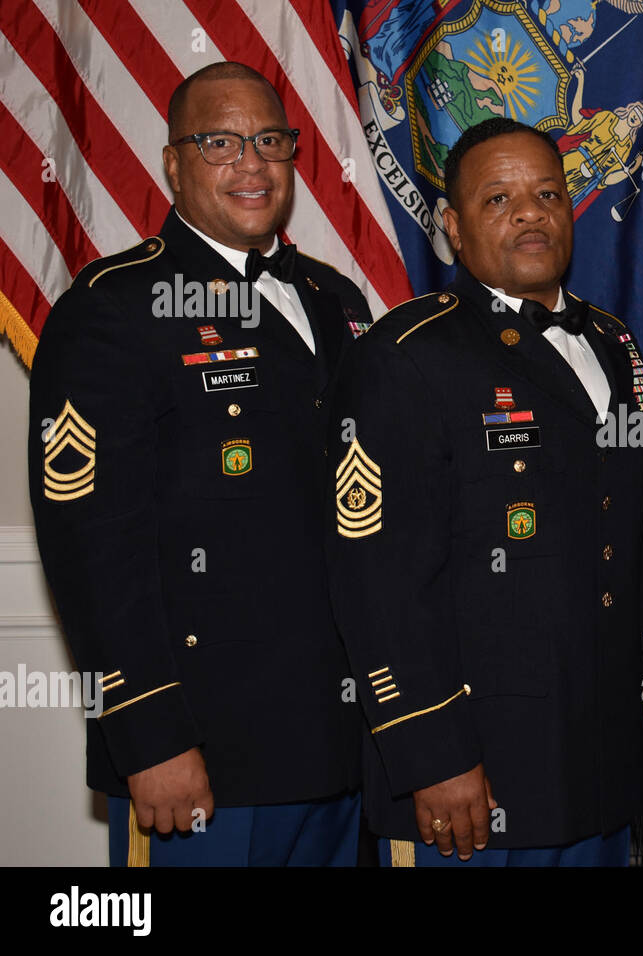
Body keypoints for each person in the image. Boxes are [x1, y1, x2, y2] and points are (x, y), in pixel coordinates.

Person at [28, 62, 368, 866]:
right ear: (172, 164)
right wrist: (146, 734)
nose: (250, 162)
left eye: (270, 140)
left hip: (341, 745)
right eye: (219, 141)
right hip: (203, 755)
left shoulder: (337, 299)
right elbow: (90, 546)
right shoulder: (114, 306)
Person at [326, 117, 643, 866]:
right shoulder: (407, 357)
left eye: (547, 193)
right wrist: (429, 752)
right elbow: (376, 580)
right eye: (498, 199)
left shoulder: (613, 342)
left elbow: (626, 537)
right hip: (471, 774)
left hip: (599, 763)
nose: (530, 213)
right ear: (452, 226)